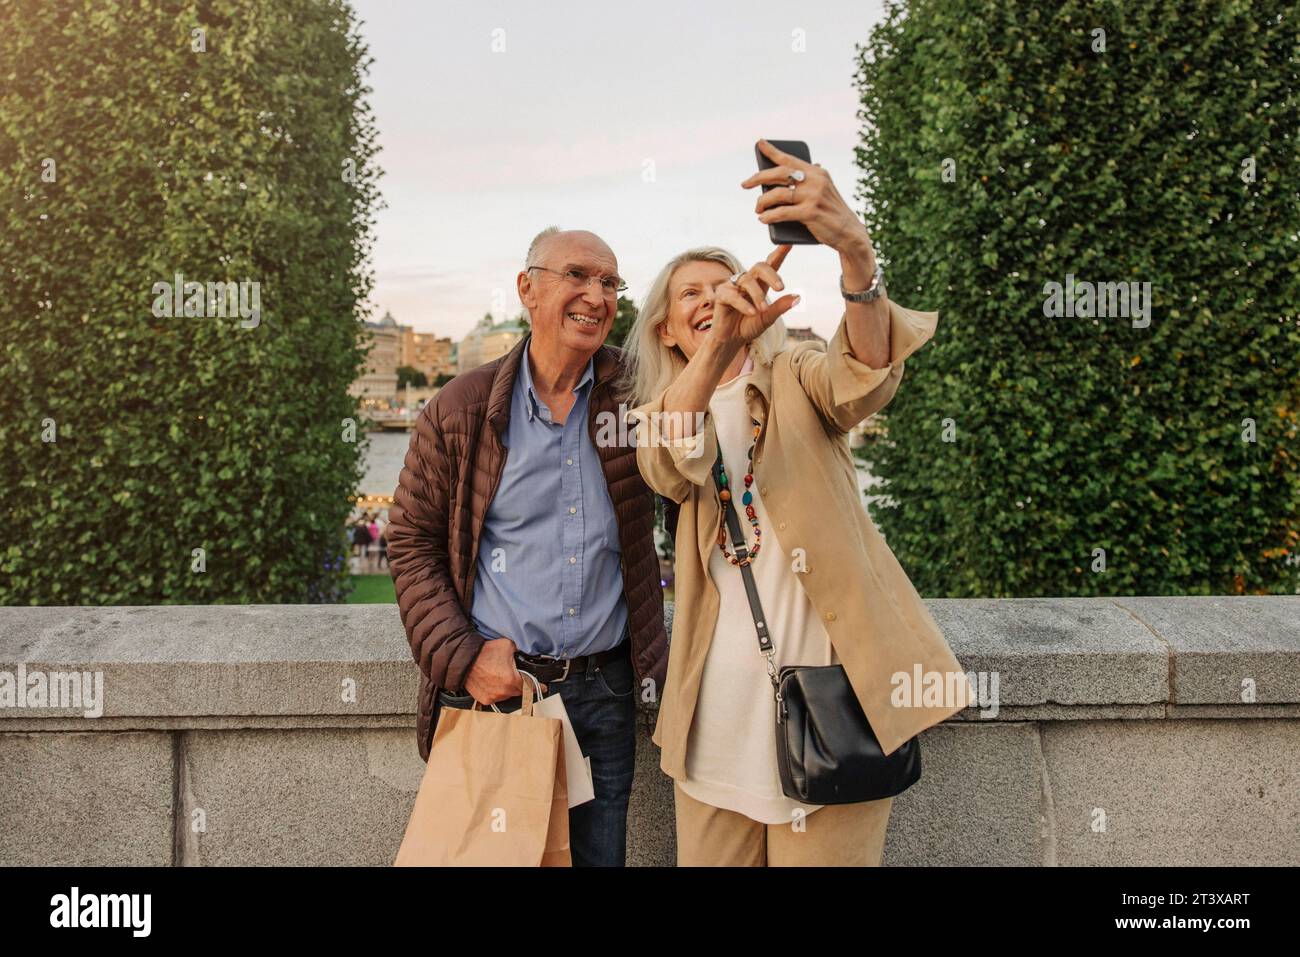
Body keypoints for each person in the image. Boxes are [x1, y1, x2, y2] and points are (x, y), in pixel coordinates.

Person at [623, 140, 970, 866]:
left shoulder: (794, 375)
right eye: (693, 293)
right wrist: (719, 350)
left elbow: (865, 375)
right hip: (714, 720)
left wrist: (855, 256)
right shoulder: (664, 408)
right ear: (665, 327)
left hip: (831, 708)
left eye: (727, 284)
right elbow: (667, 464)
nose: (714, 299)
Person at [387, 227, 669, 867]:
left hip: (607, 691)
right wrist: (462, 659)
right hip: (502, 691)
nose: (596, 296)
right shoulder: (461, 408)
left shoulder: (639, 395)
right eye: (578, 276)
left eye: (609, 283)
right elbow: (412, 542)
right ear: (527, 289)